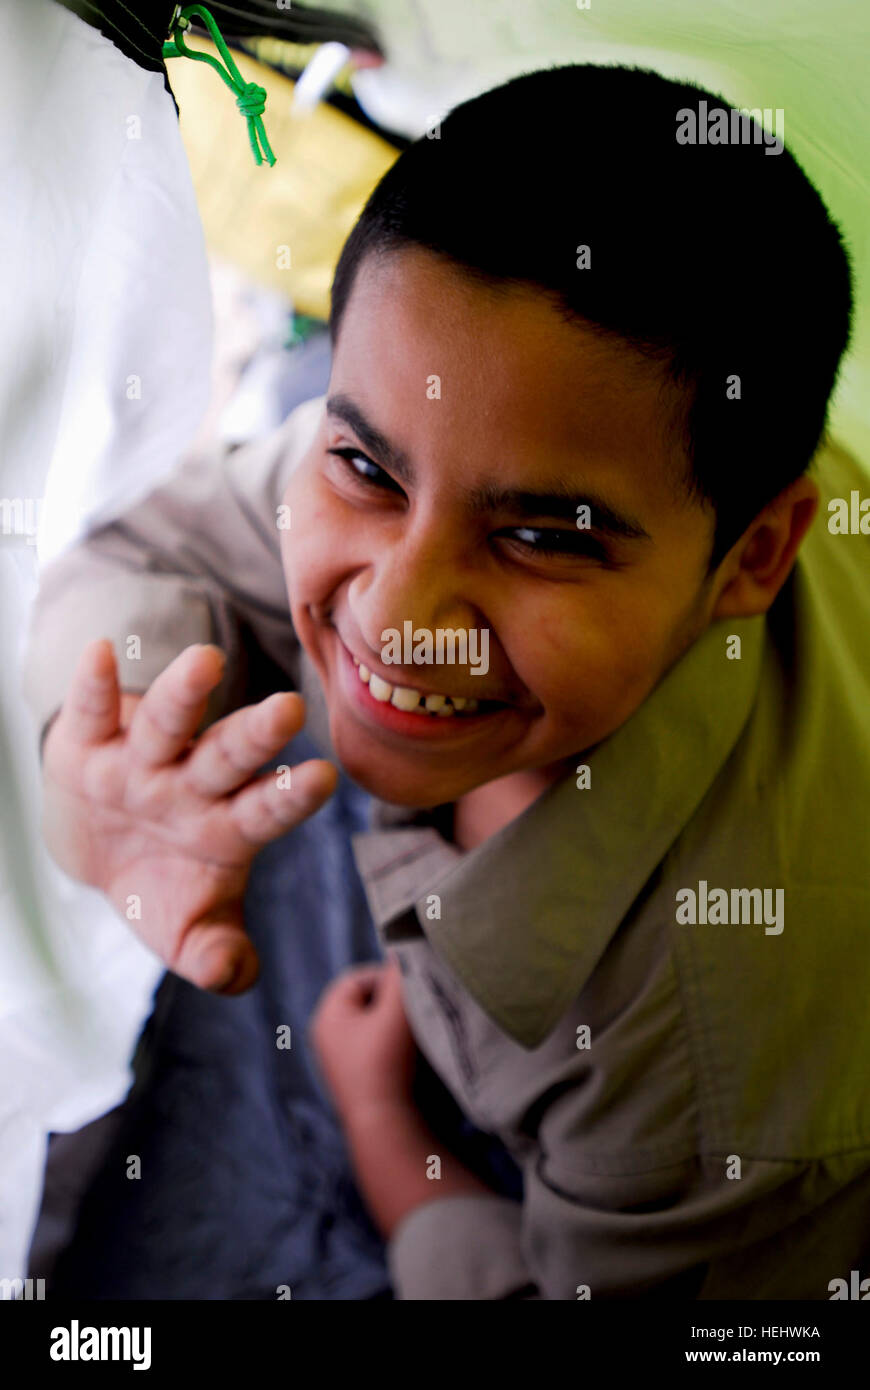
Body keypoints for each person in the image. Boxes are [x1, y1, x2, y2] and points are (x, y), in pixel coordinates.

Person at [22, 63, 870, 1300]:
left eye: (542, 537)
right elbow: (154, 544)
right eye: (363, 463)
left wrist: (389, 1132)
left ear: (754, 555)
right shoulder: (590, 435)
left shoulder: (704, 1076)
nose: (396, 618)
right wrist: (108, 744)